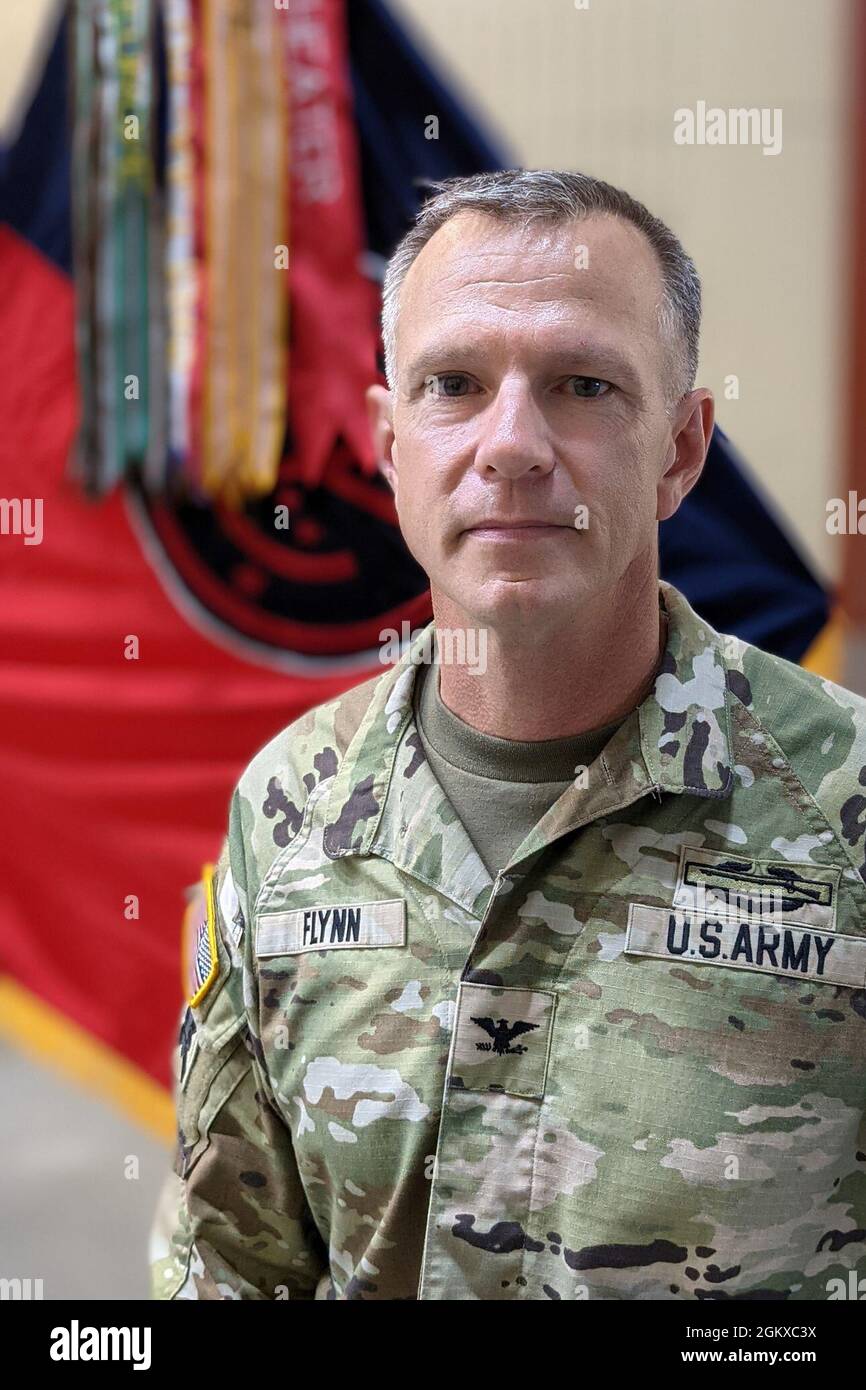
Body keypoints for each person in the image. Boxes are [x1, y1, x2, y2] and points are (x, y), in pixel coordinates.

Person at [150, 169, 866, 1301]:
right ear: (389, 445)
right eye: (454, 384)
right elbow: (234, 1266)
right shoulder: (288, 812)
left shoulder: (843, 808)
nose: (513, 444)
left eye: (582, 385)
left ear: (680, 450)